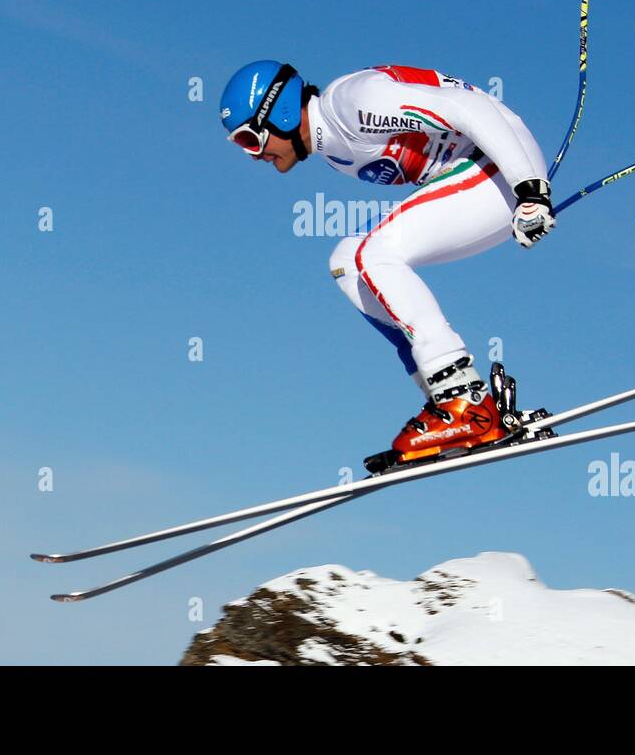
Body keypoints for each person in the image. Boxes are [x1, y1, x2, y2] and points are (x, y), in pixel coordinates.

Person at [220, 60, 555, 470]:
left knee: (375, 255)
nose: (254, 155)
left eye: (250, 139)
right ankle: (446, 399)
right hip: (476, 176)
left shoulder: (352, 103)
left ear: (281, 112)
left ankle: (464, 400)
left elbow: (468, 109)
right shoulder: (334, 150)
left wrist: (530, 190)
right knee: (347, 261)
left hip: (502, 167)